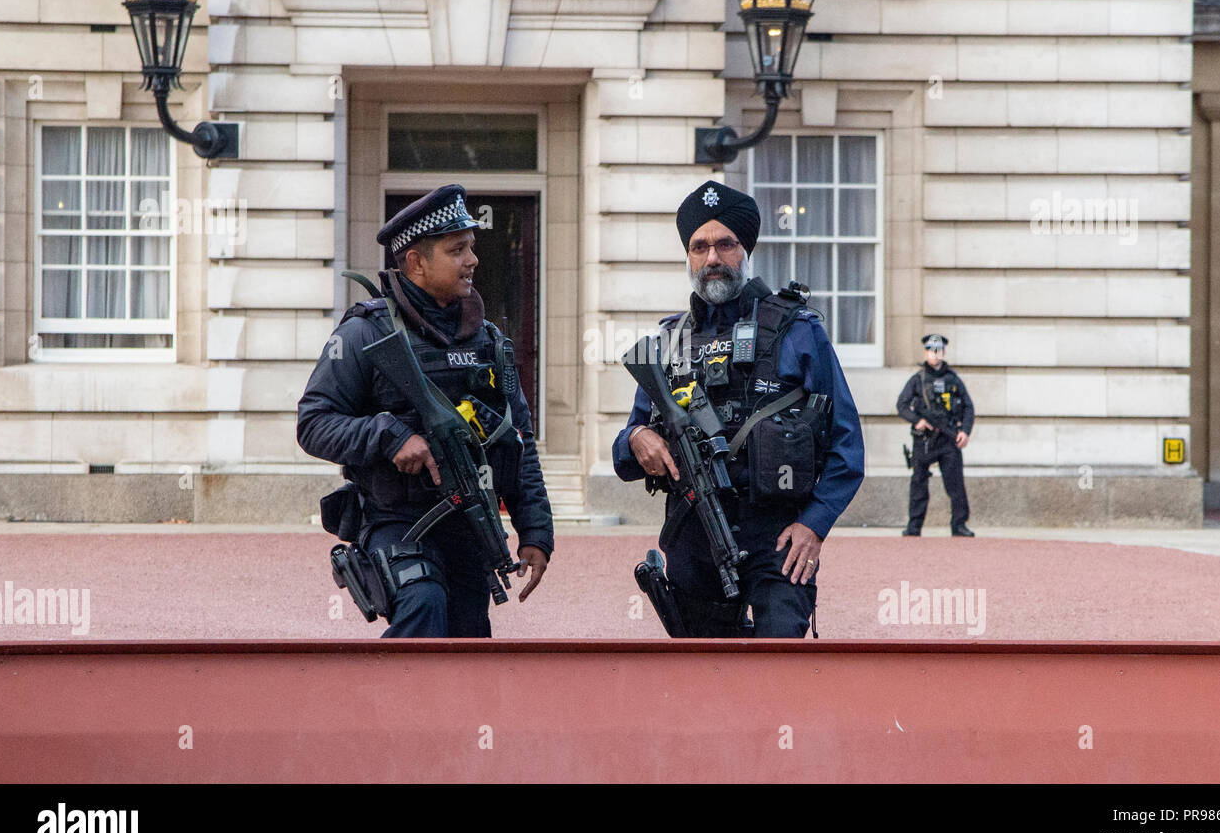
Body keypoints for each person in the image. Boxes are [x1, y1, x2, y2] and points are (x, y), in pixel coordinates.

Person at [296, 184, 553, 636]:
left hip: (469, 527)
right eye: (458, 250)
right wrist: (389, 436)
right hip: (396, 522)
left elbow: (519, 439)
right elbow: (314, 423)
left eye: (471, 248)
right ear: (416, 262)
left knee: (468, 640)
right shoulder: (364, 333)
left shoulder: (488, 339)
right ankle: (387, 708)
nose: (473, 260)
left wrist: (535, 531)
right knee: (422, 603)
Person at [612, 180, 865, 637]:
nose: (713, 259)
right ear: (688, 256)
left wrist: (815, 525)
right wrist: (636, 438)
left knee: (776, 670)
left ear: (745, 250)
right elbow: (625, 453)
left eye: (725, 244)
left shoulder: (798, 330)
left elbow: (847, 446)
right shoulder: (668, 343)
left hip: (779, 538)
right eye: (700, 246)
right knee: (704, 679)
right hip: (693, 535)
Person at [896, 334, 975, 537]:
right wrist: (917, 421)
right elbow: (902, 405)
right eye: (932, 349)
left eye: (939, 350)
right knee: (919, 481)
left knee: (955, 483)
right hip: (925, 440)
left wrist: (965, 431)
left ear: (944, 352)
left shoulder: (953, 379)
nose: (935, 353)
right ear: (926, 352)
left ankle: (959, 525)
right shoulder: (918, 379)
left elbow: (968, 407)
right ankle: (914, 526)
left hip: (949, 438)